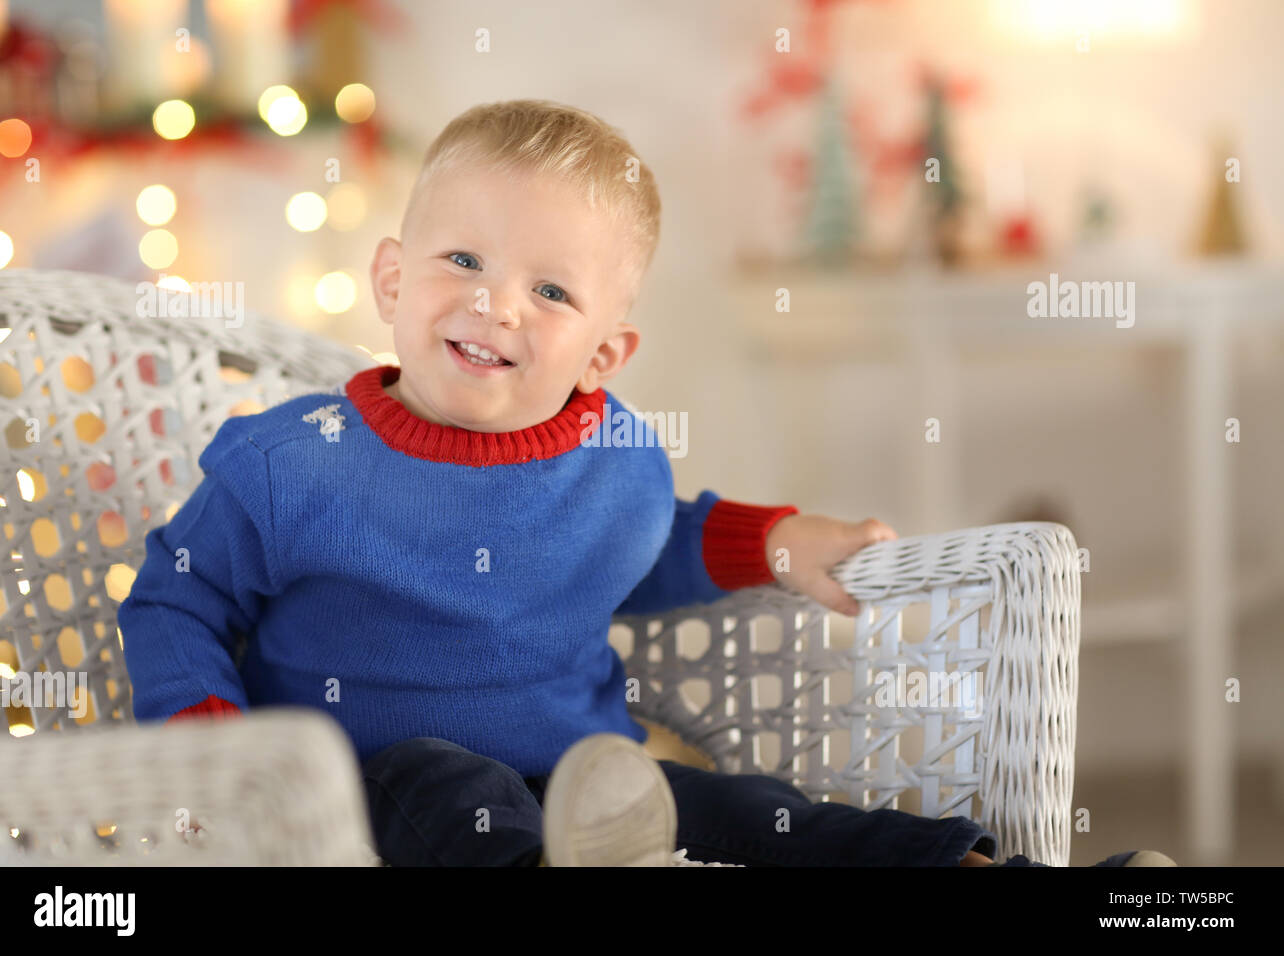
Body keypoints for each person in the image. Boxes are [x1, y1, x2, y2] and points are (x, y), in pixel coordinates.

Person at [119, 99, 1174, 868]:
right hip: (367, 784)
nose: (498, 307)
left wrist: (773, 543)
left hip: (592, 781)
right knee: (457, 787)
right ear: (393, 279)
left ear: (602, 353)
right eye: (463, 261)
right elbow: (178, 591)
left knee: (760, 811)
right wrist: (214, 732)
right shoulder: (294, 460)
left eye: (549, 288)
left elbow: (651, 541)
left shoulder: (613, 460)